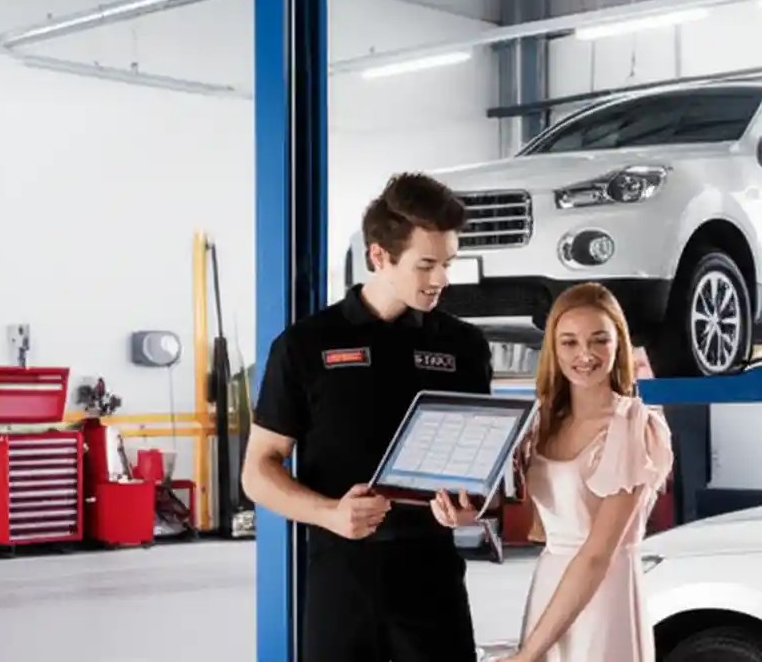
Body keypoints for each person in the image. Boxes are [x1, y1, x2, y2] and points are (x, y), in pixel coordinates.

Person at [242, 171, 490, 662]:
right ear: (379, 256)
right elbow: (258, 471)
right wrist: (329, 513)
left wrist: (472, 508)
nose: (441, 279)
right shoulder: (306, 345)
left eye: (448, 263)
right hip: (342, 581)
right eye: (426, 265)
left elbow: (480, 466)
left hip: (433, 580)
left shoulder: (464, 347)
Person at [482, 282, 674, 662]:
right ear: (553, 349)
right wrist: (466, 514)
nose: (584, 354)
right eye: (569, 342)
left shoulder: (633, 426)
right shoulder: (542, 423)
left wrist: (529, 653)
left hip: (602, 598)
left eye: (599, 340)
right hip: (549, 590)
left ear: (618, 344)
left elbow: (596, 556)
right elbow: (536, 523)